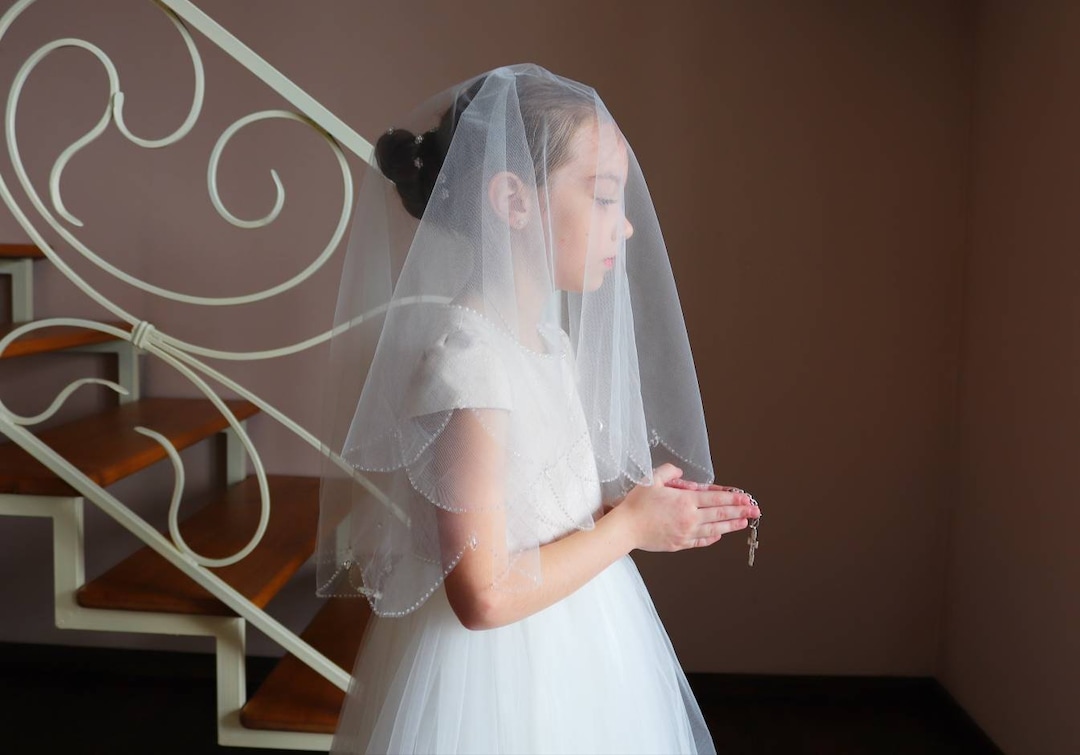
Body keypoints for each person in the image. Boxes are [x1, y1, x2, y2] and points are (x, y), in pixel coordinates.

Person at [315, 63, 760, 755]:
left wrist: (623, 511)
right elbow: (483, 594)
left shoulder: (543, 341)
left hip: (577, 640)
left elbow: (528, 512)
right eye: (604, 197)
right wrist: (630, 528)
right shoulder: (470, 367)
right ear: (513, 200)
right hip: (496, 679)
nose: (626, 227)